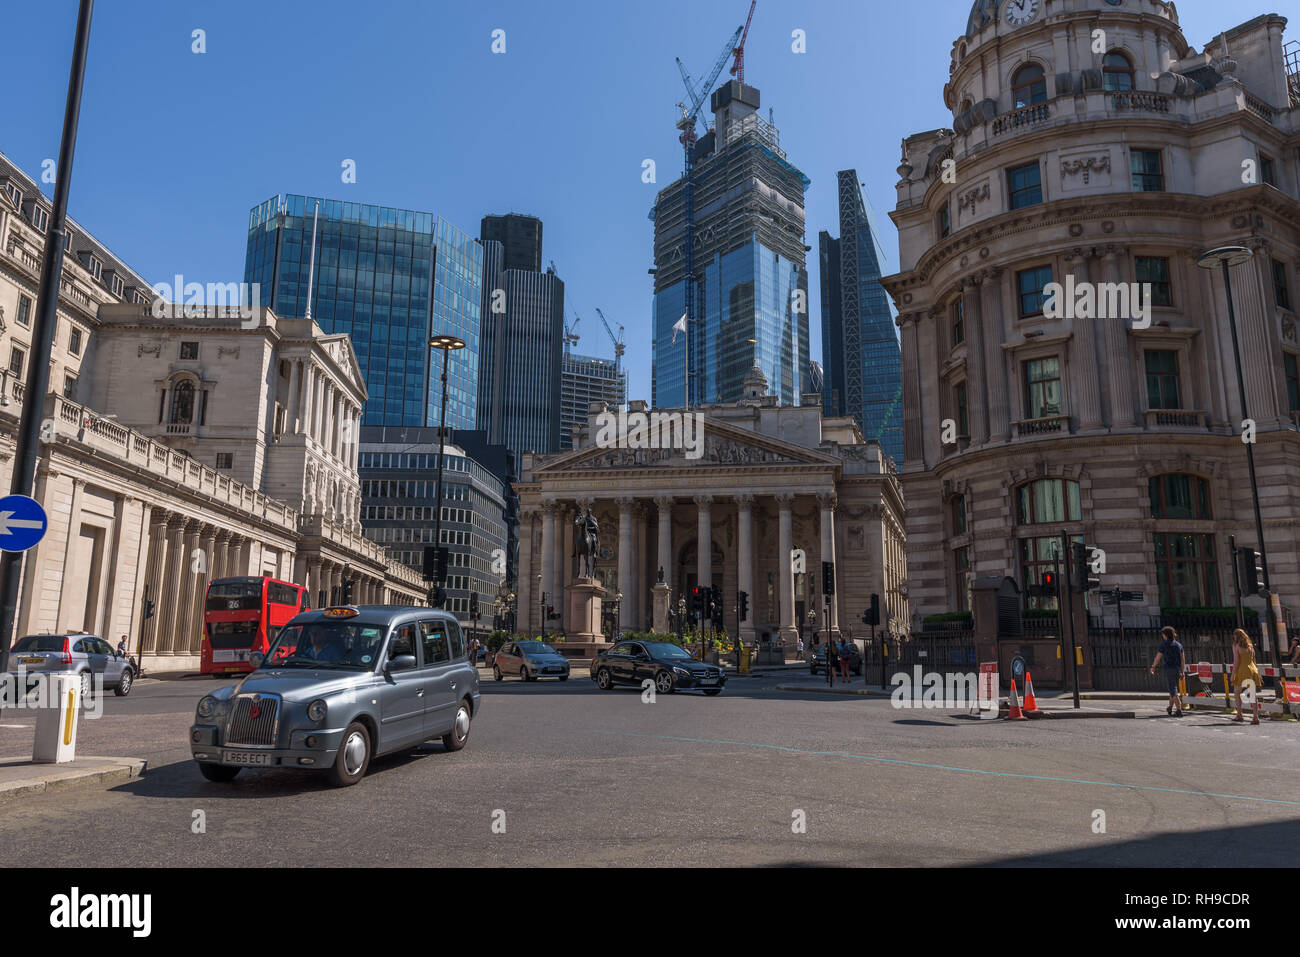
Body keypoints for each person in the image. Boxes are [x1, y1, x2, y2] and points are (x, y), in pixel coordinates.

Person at [1149, 625, 1184, 717]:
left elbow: (1158, 657)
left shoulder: (1164, 645)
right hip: (1177, 670)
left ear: (1165, 635)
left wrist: (1153, 666)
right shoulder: (1179, 645)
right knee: (1173, 690)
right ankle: (1170, 707)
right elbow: (1183, 659)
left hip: (1169, 670)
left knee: (1173, 691)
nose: (1162, 636)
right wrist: (1183, 671)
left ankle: (1179, 710)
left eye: (1163, 635)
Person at [1231, 628, 1263, 725]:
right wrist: (1258, 674)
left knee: (1237, 692)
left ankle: (1240, 714)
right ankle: (1255, 716)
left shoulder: (1236, 646)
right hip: (1252, 670)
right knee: (1252, 694)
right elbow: (1254, 661)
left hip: (1242, 670)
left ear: (1236, 636)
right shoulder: (1250, 646)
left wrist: (1233, 674)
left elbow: (1236, 662)